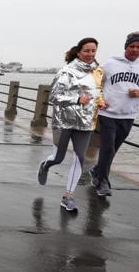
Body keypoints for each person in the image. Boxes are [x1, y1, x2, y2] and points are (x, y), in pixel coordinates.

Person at [37, 37, 104, 212]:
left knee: (79, 158)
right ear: (78, 52)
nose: (90, 54)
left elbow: (97, 92)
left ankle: (68, 196)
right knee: (58, 157)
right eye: (87, 51)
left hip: (85, 121)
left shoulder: (97, 71)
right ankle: (46, 165)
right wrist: (76, 99)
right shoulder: (67, 72)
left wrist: (101, 101)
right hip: (64, 120)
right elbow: (53, 97)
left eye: (93, 51)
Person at [90, 31, 139, 196]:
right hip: (108, 113)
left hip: (128, 115)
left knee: (114, 148)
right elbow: (95, 82)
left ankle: (97, 170)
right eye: (132, 46)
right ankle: (102, 182)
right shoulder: (110, 63)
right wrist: (100, 99)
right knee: (107, 147)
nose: (135, 50)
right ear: (126, 47)